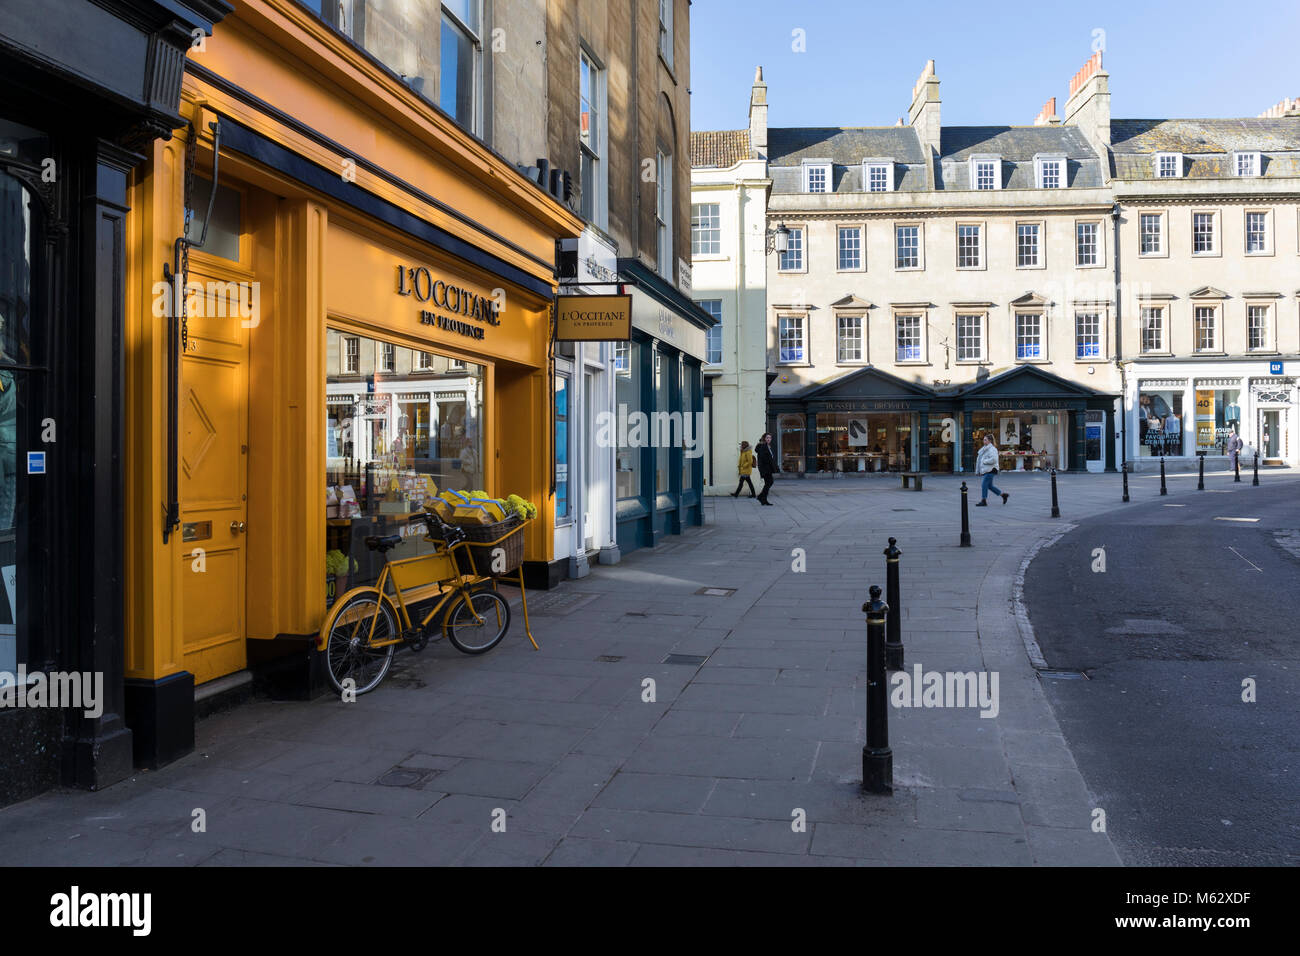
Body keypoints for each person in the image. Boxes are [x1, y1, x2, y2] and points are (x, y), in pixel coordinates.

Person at [974, 434, 1008, 506]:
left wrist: (984, 461)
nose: (983, 441)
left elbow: (994, 460)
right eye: (983, 439)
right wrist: (978, 470)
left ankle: (984, 500)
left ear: (990, 441)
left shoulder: (992, 449)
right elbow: (979, 460)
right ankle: (1003, 495)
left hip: (991, 469)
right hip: (987, 469)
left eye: (985, 440)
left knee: (984, 484)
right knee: (989, 486)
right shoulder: (984, 449)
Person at [755, 432, 779, 505]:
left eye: (770, 438)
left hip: (767, 468)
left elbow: (770, 458)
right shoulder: (763, 446)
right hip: (765, 468)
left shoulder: (767, 446)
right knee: (769, 482)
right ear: (764, 438)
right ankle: (761, 496)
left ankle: (763, 499)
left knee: (768, 483)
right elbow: (764, 458)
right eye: (767, 438)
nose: (769, 439)